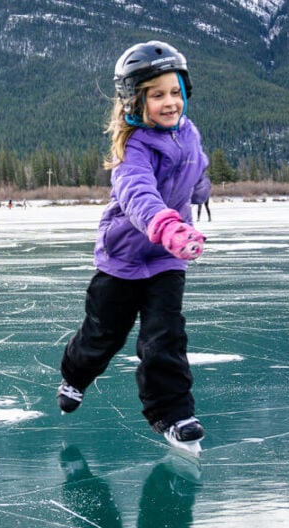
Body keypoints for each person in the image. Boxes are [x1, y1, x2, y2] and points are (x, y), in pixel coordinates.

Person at [58, 40, 211, 449]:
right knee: (101, 336)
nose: (170, 102)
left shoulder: (189, 134)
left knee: (165, 336)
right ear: (134, 100)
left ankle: (173, 414)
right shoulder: (132, 149)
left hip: (166, 259)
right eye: (157, 94)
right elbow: (139, 195)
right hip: (123, 258)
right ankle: (75, 375)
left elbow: (196, 165)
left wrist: (200, 189)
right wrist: (168, 225)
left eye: (175, 92)